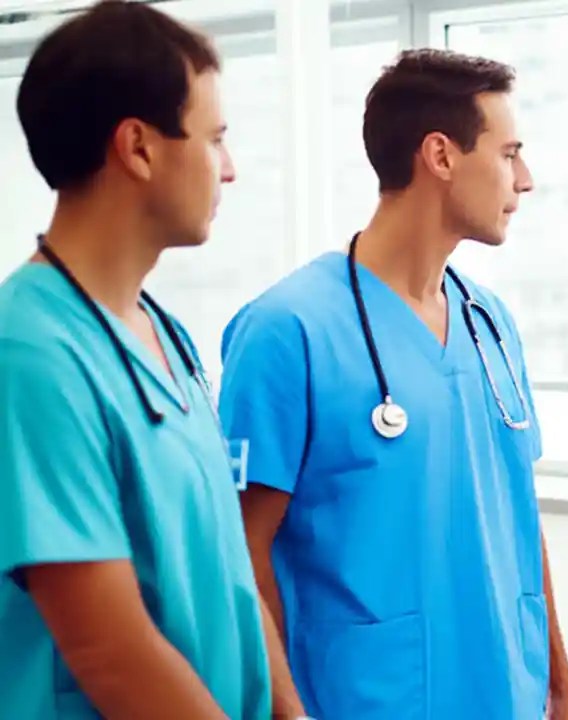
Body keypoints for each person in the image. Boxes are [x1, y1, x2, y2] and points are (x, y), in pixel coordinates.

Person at [217, 48, 568, 720]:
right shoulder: (286, 330)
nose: (524, 180)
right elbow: (239, 555)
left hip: (508, 694)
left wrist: (560, 690)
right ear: (440, 155)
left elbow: (521, 523)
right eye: (509, 154)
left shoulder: (490, 324)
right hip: (367, 700)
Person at [0, 2, 304, 719]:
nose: (228, 171)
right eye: (215, 139)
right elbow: (111, 649)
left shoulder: (165, 336)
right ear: (137, 147)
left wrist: (290, 712)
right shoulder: (30, 353)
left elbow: (229, 571)